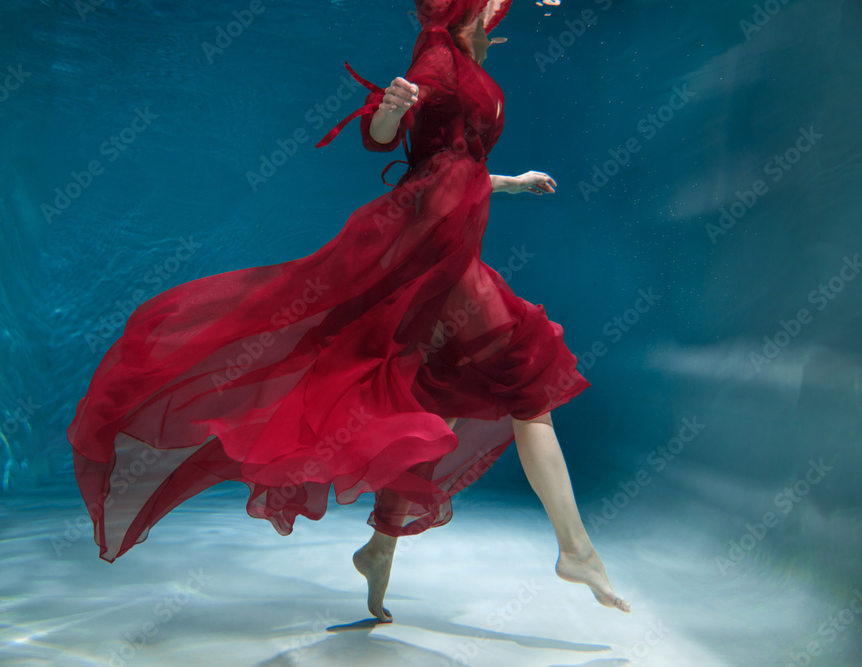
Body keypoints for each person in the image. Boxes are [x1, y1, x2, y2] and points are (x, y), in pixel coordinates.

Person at [67, 0, 630, 627]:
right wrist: (390, 109)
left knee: (430, 395)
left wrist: (510, 182)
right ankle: (575, 550)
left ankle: (380, 548)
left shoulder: (467, 54)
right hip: (430, 249)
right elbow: (386, 139)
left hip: (445, 245)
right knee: (525, 380)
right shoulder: (440, 53)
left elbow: (448, 163)